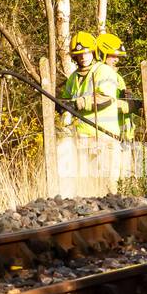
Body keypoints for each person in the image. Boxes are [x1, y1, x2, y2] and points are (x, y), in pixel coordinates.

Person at [58, 31, 121, 195]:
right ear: (75, 57)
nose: (83, 57)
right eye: (79, 54)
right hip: (82, 139)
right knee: (89, 189)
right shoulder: (73, 78)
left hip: (105, 138)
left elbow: (106, 97)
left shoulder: (103, 71)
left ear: (93, 52)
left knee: (109, 187)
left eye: (86, 53)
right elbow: (67, 101)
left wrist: (80, 103)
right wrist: (62, 107)